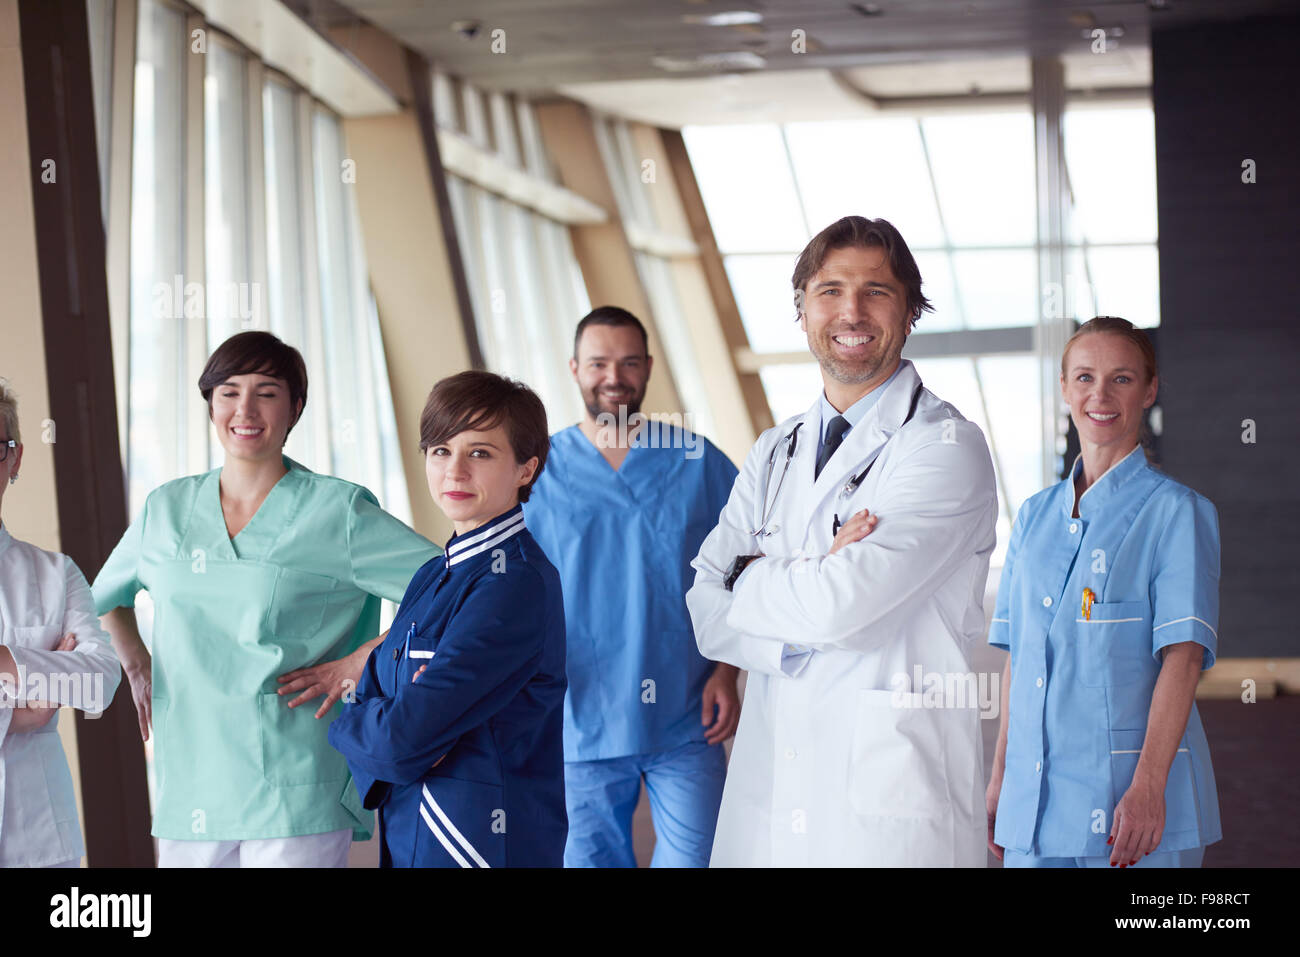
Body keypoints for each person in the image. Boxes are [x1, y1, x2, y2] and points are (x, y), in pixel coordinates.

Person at [687, 215, 998, 867]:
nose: (850, 310)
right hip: (772, 788)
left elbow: (840, 607)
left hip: (890, 802)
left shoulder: (945, 447)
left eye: (876, 291)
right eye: (829, 290)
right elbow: (705, 611)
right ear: (802, 310)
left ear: (910, 309)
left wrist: (755, 576)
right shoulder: (775, 451)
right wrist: (813, 574)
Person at [93, 332, 439, 867]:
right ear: (210, 403)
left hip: (295, 785)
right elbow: (104, 597)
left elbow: (452, 586)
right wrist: (136, 661)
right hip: (193, 785)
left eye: (267, 392)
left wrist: (361, 660)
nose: (245, 409)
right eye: (228, 392)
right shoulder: (166, 509)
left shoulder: (337, 511)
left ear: (295, 406)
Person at [987, 316, 1221, 869]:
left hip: (1131, 809)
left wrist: (1147, 788)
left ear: (1150, 389)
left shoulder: (1176, 512)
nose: (1101, 394)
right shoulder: (1032, 517)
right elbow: (1021, 659)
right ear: (1065, 388)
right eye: (1086, 377)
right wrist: (1002, 779)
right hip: (1036, 810)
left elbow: (1183, 659)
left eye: (1121, 378)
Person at [523, 307, 740, 868]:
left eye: (627, 362)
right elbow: (505, 588)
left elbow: (748, 567)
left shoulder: (698, 462)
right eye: (598, 362)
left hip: (686, 709)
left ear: (647, 368)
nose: (612, 376)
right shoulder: (536, 470)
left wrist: (726, 669)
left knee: (700, 857)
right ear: (574, 368)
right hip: (577, 716)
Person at [328, 371, 567, 868]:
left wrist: (350, 724)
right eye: (440, 450)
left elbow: (399, 741)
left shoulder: (512, 582)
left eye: (480, 453)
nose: (454, 471)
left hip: (477, 841)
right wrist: (395, 717)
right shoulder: (434, 573)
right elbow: (390, 712)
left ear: (526, 469)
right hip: (414, 829)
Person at [0, 380, 121, 867]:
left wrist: (6, 659)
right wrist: (18, 713)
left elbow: (99, 682)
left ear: (15, 459)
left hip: (38, 841)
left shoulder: (55, 574)